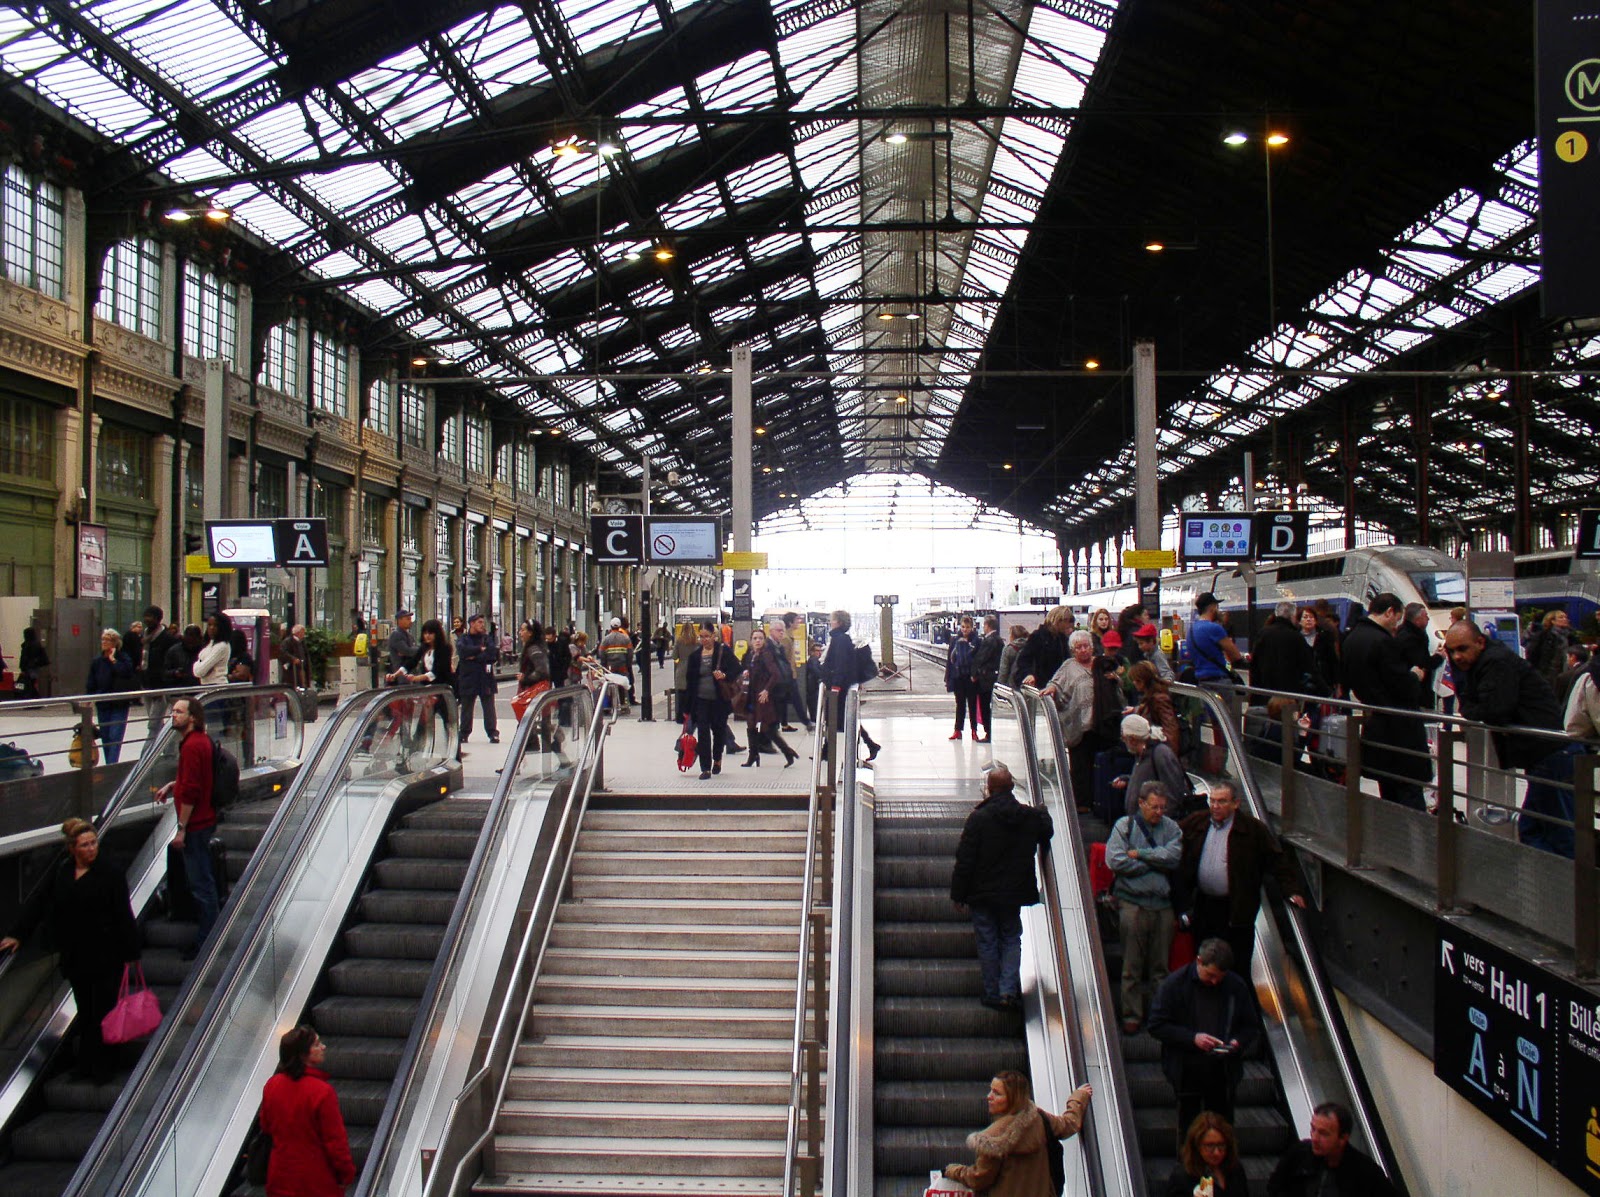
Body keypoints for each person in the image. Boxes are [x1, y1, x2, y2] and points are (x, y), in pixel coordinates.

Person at [1, 817, 139, 1082]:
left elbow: (123, 914)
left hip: (105, 955)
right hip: (76, 956)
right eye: (84, 845)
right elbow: (40, 902)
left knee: (104, 1010)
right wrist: (18, 934)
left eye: (93, 843)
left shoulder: (110, 873)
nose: (91, 849)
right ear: (72, 849)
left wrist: (131, 954)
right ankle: (86, 1064)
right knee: (85, 1011)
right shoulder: (63, 871)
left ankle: (104, 1066)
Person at [1445, 620, 1571, 856]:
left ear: (1480, 642)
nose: (1456, 657)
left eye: (1462, 649)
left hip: (1546, 751)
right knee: (1535, 826)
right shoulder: (1489, 662)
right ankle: (1558, 879)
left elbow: (1494, 710)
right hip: (1543, 752)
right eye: (1451, 651)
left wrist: (1470, 708)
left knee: (1551, 827)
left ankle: (1567, 882)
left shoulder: (1495, 662)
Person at [950, 764, 1053, 1011]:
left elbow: (965, 860)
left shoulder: (979, 818)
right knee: (1010, 938)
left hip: (981, 893)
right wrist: (1043, 812)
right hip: (1014, 893)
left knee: (987, 940)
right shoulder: (1028, 817)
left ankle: (992, 991)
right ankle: (1008, 991)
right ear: (1012, 788)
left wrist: (958, 894)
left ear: (989, 789)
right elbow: (1046, 832)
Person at [1175, 782, 1305, 975]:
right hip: (1203, 905)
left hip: (1236, 909)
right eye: (1212, 801)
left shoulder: (1253, 830)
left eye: (1221, 801)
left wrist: (1291, 890)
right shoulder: (1197, 822)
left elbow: (1277, 861)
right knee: (1204, 960)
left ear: (1235, 804)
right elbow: (1171, 838)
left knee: (1237, 965)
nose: (1215, 806)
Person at [1148, 937, 1260, 1143]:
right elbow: (1156, 1025)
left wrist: (1237, 1042)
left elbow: (1250, 1025)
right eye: (1211, 975)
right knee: (1189, 1129)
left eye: (1220, 977)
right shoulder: (1174, 985)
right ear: (1199, 961)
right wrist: (1193, 1039)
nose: (1215, 981)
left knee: (1222, 1129)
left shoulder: (1235, 986)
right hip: (1187, 1071)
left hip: (1223, 1073)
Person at [1340, 593, 1431, 810]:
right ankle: (1419, 842)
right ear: (1390, 612)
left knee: (1388, 795)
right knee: (1409, 794)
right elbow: (1400, 683)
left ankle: (1390, 838)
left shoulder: (1352, 638)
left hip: (1376, 725)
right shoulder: (1381, 641)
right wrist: (1415, 676)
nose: (1396, 625)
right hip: (1400, 730)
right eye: (1397, 618)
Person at [1107, 781, 1182, 1034]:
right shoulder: (1124, 826)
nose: (1159, 812)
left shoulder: (1171, 828)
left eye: (1163, 807)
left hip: (1162, 905)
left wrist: (1140, 855)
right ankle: (1131, 1014)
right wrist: (1155, 861)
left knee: (1161, 966)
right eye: (1154, 807)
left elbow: (1174, 858)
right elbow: (1115, 861)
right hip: (1133, 903)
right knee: (1132, 964)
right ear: (1141, 804)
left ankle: (1159, 1013)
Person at [942, 1070, 1093, 1195]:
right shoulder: (1040, 1119)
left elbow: (978, 1179)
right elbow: (1069, 1124)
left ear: (1012, 1099)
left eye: (997, 1093)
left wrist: (952, 1170)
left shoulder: (991, 1140)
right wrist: (1078, 1097)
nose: (989, 1097)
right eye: (991, 1090)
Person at [258, 1025, 357, 1197]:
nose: (323, 1047)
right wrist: (346, 1173)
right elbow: (335, 1142)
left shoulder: (272, 1085)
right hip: (316, 1181)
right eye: (317, 1044)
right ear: (303, 1054)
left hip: (280, 1177)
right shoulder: (322, 1092)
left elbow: (266, 1126)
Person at [155, 696, 218, 958]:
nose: (174, 715)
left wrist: (181, 828)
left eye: (179, 712)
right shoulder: (198, 742)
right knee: (202, 880)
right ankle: (209, 936)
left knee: (201, 884)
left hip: (196, 824)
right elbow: (193, 780)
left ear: (193, 717)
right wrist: (174, 784)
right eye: (173, 711)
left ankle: (208, 941)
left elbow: (192, 790)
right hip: (203, 820)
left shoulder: (192, 746)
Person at [1267, 1101, 1397, 1197]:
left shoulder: (1366, 1172)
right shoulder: (1299, 1153)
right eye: (1313, 1129)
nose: (1315, 1138)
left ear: (1342, 1138)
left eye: (1323, 1133)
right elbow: (1274, 1187)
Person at [1039, 630, 1097, 805]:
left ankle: (1097, 798)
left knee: (1096, 762)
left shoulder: (1100, 663)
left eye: (1086, 646)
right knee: (1079, 763)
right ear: (1073, 650)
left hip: (1100, 723)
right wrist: (1052, 689)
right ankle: (1081, 802)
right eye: (1078, 647)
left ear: (1092, 647)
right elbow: (1055, 682)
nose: (1083, 650)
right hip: (1078, 725)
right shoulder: (1069, 666)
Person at [821, 609, 881, 761]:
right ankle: (828, 749)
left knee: (838, 718)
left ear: (839, 622)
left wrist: (835, 685)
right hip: (840, 685)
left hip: (839, 687)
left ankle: (866, 746)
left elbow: (840, 664)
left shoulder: (840, 639)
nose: (830, 622)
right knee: (839, 718)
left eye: (832, 620)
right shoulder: (840, 638)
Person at [683, 624, 740, 779]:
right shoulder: (695, 656)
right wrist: (686, 707)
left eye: (707, 636)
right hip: (701, 700)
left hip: (719, 699)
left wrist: (724, 675)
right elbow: (690, 681)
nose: (704, 640)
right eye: (701, 636)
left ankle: (717, 759)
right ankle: (705, 767)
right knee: (703, 732)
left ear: (714, 635)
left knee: (718, 730)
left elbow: (737, 669)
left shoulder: (723, 651)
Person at [741, 628, 798, 768]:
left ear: (764, 640)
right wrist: (746, 672)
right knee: (751, 725)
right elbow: (747, 669)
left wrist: (766, 690)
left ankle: (787, 752)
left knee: (768, 729)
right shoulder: (751, 654)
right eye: (755, 638)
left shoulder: (766, 655)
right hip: (753, 695)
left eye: (760, 638)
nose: (757, 641)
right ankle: (753, 754)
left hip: (763, 697)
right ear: (751, 640)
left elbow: (775, 674)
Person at [1116, 714, 1188, 820]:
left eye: (1124, 738)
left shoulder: (1161, 754)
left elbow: (1174, 793)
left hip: (1153, 829)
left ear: (1132, 739)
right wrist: (1127, 780)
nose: (1124, 742)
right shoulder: (1140, 755)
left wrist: (1156, 824)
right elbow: (1148, 780)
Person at [1165, 1111, 1250, 1197]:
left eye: (1221, 1145)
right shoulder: (1182, 1177)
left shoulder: (1235, 1170)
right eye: (1210, 1146)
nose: (1216, 1152)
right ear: (1197, 1145)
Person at [87, 629, 136, 764]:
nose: (104, 642)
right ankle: (110, 764)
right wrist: (88, 698)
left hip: (119, 704)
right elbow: (92, 681)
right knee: (106, 737)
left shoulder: (123, 658)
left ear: (115, 643)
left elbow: (126, 672)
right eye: (103, 639)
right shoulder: (97, 661)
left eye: (107, 640)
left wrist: (113, 660)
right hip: (103, 703)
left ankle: (111, 765)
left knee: (115, 736)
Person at [455, 612, 500, 745]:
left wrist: (474, 657)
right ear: (472, 624)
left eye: (482, 622)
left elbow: (492, 654)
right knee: (467, 707)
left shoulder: (487, 639)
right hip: (468, 678)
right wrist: (480, 650)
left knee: (489, 707)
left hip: (485, 678)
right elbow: (462, 652)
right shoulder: (463, 639)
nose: (482, 625)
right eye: (479, 622)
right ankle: (464, 733)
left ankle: (492, 733)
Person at [1249, 602, 1314, 695]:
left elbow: (1254, 664)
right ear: (1293, 616)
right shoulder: (1296, 636)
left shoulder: (1263, 633)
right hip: (1289, 692)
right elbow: (1308, 665)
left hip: (1264, 691)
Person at [1189, 593, 1244, 700]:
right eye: (1216, 606)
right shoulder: (1214, 628)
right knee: (1226, 714)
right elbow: (1236, 656)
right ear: (1212, 607)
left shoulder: (1191, 630)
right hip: (1219, 683)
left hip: (1201, 683)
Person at [1014, 606, 1075, 689]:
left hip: (1055, 684)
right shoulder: (1038, 637)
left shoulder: (1061, 638)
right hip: (1039, 683)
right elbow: (1024, 660)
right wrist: (1029, 674)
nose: (1068, 625)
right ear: (1058, 620)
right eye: (1066, 621)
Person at [1395, 602, 1444, 703]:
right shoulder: (1412, 638)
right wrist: (1439, 657)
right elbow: (1423, 663)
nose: (1428, 619)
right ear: (1417, 620)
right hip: (1415, 689)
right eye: (1425, 616)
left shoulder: (1404, 631)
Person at [1130, 660, 1182, 752]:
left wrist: (1167, 756)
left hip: (1159, 752)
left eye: (1136, 680)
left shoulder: (1159, 699)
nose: (1133, 683)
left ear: (1142, 681)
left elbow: (1171, 729)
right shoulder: (1150, 698)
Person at [946, 614, 981, 740]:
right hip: (958, 677)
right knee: (959, 704)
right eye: (963, 627)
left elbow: (978, 660)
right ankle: (958, 730)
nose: (965, 629)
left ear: (972, 627)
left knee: (972, 705)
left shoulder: (976, 641)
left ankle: (974, 730)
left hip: (971, 678)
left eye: (967, 627)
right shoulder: (954, 641)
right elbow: (950, 660)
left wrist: (975, 674)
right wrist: (948, 678)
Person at [1524, 609, 1574, 692]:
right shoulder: (1544, 636)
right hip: (1547, 674)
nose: (1565, 619)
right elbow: (1533, 654)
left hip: (1565, 673)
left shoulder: (1570, 637)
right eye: (1561, 617)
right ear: (1552, 621)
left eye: (1566, 617)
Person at [972, 614, 1003, 742]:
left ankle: (988, 733)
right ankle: (990, 732)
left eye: (984, 625)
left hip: (985, 679)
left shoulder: (989, 640)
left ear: (988, 626)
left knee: (985, 707)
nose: (983, 628)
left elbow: (981, 658)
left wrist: (973, 673)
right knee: (988, 706)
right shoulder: (999, 640)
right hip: (993, 677)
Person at [1298, 607, 1340, 697]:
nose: (1308, 619)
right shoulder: (1296, 638)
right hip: (1302, 683)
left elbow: (1333, 660)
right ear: (1299, 621)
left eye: (1311, 617)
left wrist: (1337, 683)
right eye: (1305, 617)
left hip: (1323, 681)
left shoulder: (1325, 636)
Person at [599, 618, 634, 712]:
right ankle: (623, 705)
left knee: (610, 685)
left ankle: (609, 706)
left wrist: (603, 665)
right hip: (622, 666)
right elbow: (630, 653)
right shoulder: (626, 638)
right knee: (622, 684)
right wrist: (628, 664)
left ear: (610, 626)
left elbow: (601, 653)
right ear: (619, 626)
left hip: (610, 666)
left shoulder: (606, 639)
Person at [194, 614, 233, 687]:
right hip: (207, 686)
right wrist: (199, 663)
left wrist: (198, 663)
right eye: (209, 625)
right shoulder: (209, 644)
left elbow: (200, 672)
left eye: (215, 625)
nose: (211, 628)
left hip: (217, 686)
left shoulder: (222, 646)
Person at [384, 609, 417, 685]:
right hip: (399, 675)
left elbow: (411, 651)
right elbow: (406, 651)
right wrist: (417, 650)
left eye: (410, 619)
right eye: (407, 619)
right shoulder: (396, 635)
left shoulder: (409, 636)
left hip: (409, 673)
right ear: (400, 620)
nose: (410, 621)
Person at [18, 625, 49, 698]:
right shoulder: (36, 644)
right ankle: (35, 700)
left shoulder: (28, 645)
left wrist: (22, 668)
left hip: (29, 668)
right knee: (31, 684)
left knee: (29, 684)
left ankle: (35, 699)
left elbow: (24, 658)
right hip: (34, 668)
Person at [517, 620, 550, 691]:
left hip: (533, 690)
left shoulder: (534, 649)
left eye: (523, 630)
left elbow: (541, 671)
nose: (520, 633)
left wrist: (525, 679)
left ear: (530, 633)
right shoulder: (532, 647)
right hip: (531, 689)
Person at [998, 623, 1028, 690]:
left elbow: (1003, 671)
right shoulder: (1029, 647)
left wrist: (1000, 687)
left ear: (1013, 636)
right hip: (1027, 684)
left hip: (1012, 685)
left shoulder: (1008, 649)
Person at [280, 624, 311, 689]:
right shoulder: (287, 641)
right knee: (294, 684)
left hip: (302, 668)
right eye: (303, 632)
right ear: (298, 633)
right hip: (292, 670)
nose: (304, 634)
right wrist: (293, 659)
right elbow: (283, 653)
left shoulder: (302, 642)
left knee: (302, 684)